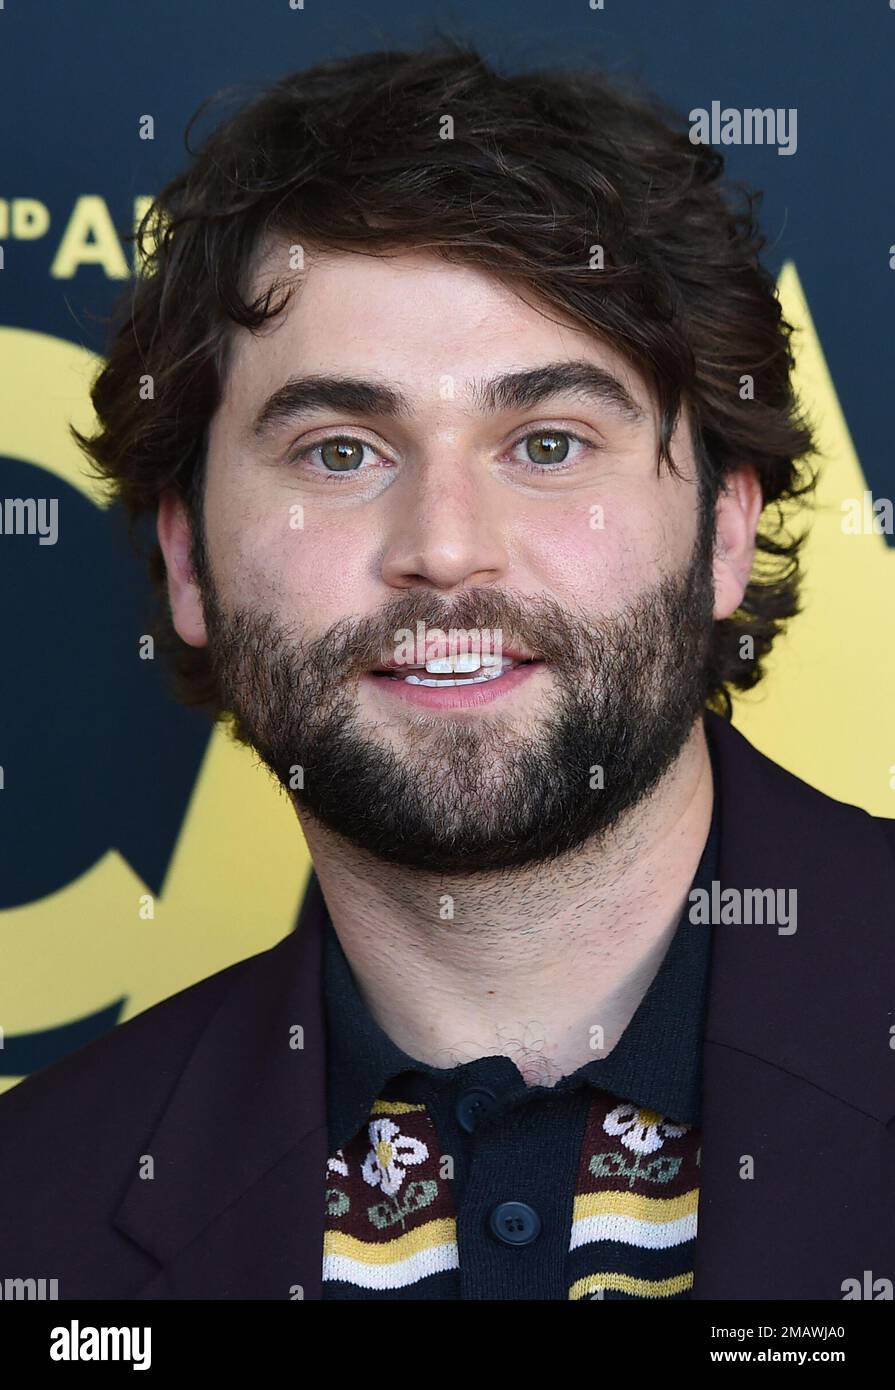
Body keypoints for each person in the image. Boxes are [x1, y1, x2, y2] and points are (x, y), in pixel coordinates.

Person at [1, 37, 893, 1302]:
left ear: (725, 533)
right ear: (189, 558)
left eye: (546, 440)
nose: (445, 549)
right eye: (339, 452)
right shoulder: (35, 1216)